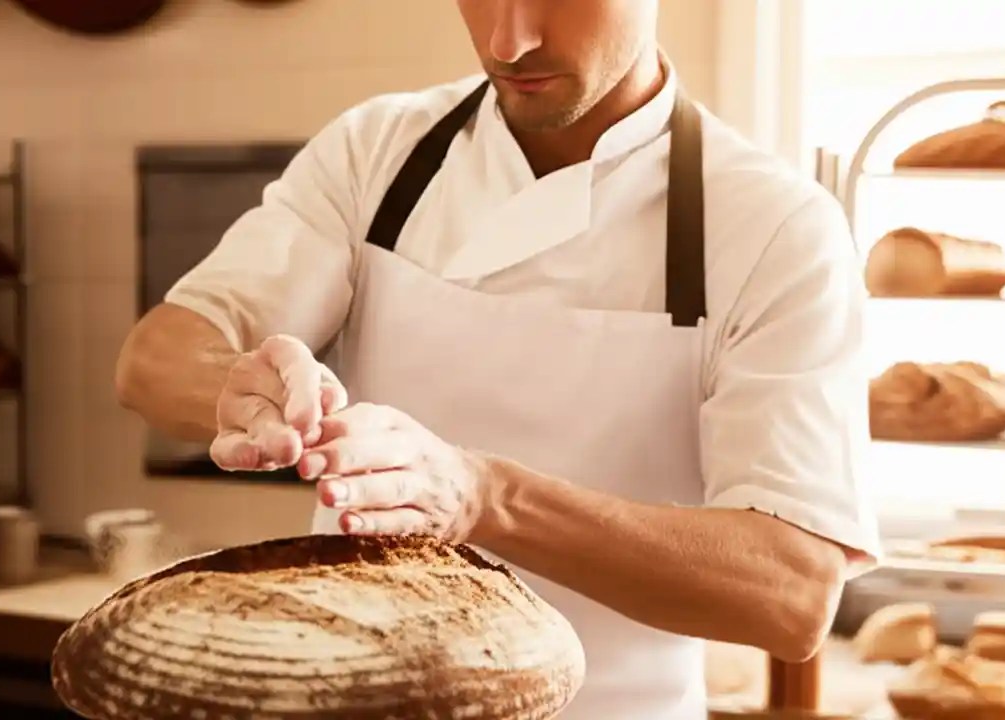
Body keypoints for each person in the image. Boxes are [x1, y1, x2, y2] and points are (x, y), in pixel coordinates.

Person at [115, 0, 882, 716]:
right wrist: (244, 390)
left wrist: (483, 496)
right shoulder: (378, 152)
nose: (507, 42)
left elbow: (791, 592)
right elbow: (154, 359)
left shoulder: (776, 226)